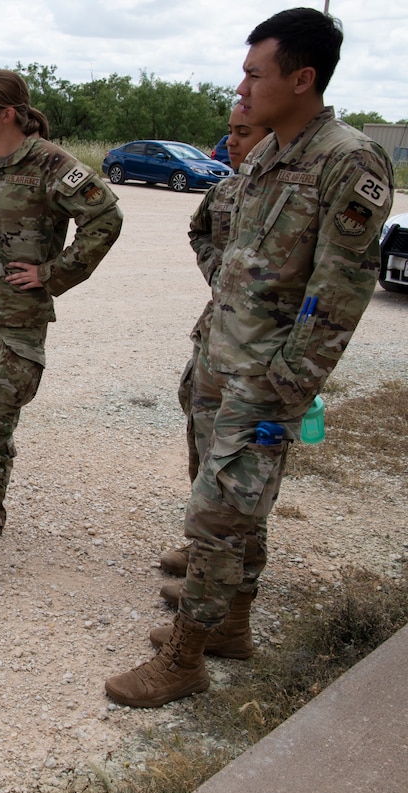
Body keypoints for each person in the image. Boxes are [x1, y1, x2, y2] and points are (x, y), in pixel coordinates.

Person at [106, 7, 394, 708]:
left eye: (254, 72)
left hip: (264, 378)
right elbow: (236, 250)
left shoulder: (349, 160)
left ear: (302, 77)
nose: (243, 83)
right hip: (221, 360)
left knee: (213, 518)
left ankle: (186, 658)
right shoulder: (268, 153)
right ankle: (233, 623)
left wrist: (287, 383)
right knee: (235, 506)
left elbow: (341, 289)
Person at [0, 69, 123, 596]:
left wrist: (52, 273)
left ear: (8, 115)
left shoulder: (51, 165)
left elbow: (105, 218)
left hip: (14, 321)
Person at [156, 104, 273, 613]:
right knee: (203, 448)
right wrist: (219, 271)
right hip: (216, 338)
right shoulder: (225, 191)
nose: (231, 142)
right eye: (228, 133)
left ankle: (234, 579)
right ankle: (208, 551)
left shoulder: (284, 195)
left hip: (258, 354)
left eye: (243, 132)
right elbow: (198, 231)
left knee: (241, 467)